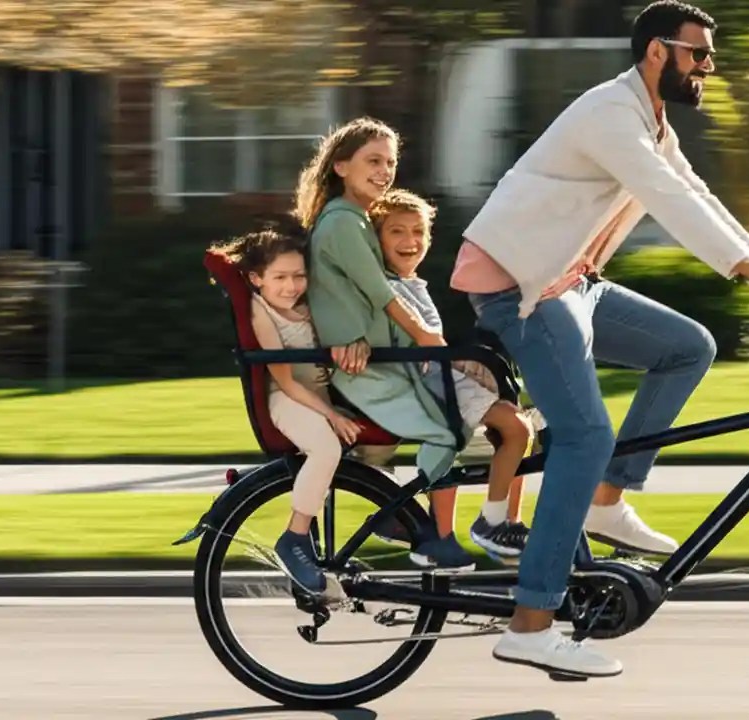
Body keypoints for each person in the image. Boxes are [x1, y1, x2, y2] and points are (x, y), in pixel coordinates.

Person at [451, 0, 749, 677]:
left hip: (570, 284)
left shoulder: (650, 120)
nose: (709, 66)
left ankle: (606, 502)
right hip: (521, 287)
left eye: (711, 55)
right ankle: (530, 622)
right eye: (698, 54)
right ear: (657, 51)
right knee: (586, 435)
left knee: (689, 346)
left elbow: (698, 195)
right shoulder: (611, 114)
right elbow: (670, 203)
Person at [294, 116, 476, 569]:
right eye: (372, 161)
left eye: (390, 163)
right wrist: (427, 338)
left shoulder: (354, 220)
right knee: (445, 432)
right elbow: (382, 293)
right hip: (364, 371)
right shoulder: (342, 223)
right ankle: (432, 536)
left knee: (456, 418)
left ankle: (400, 518)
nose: (384, 171)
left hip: (376, 360)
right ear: (340, 166)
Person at [366, 187, 534, 564]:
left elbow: (427, 343)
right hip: (429, 386)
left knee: (527, 429)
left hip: (440, 378)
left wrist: (462, 362)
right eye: (396, 231)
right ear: (376, 238)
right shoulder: (386, 289)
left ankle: (503, 523)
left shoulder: (411, 285)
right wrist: (459, 362)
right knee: (517, 429)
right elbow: (412, 346)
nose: (410, 241)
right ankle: (492, 523)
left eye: (418, 232)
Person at [208, 226, 360, 595]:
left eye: (299, 276)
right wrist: (333, 415)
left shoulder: (304, 308)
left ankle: (385, 526)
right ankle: (294, 536)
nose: (291, 286)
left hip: (316, 396)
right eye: (280, 278)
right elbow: (289, 383)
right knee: (327, 448)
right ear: (256, 279)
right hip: (287, 401)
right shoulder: (262, 313)